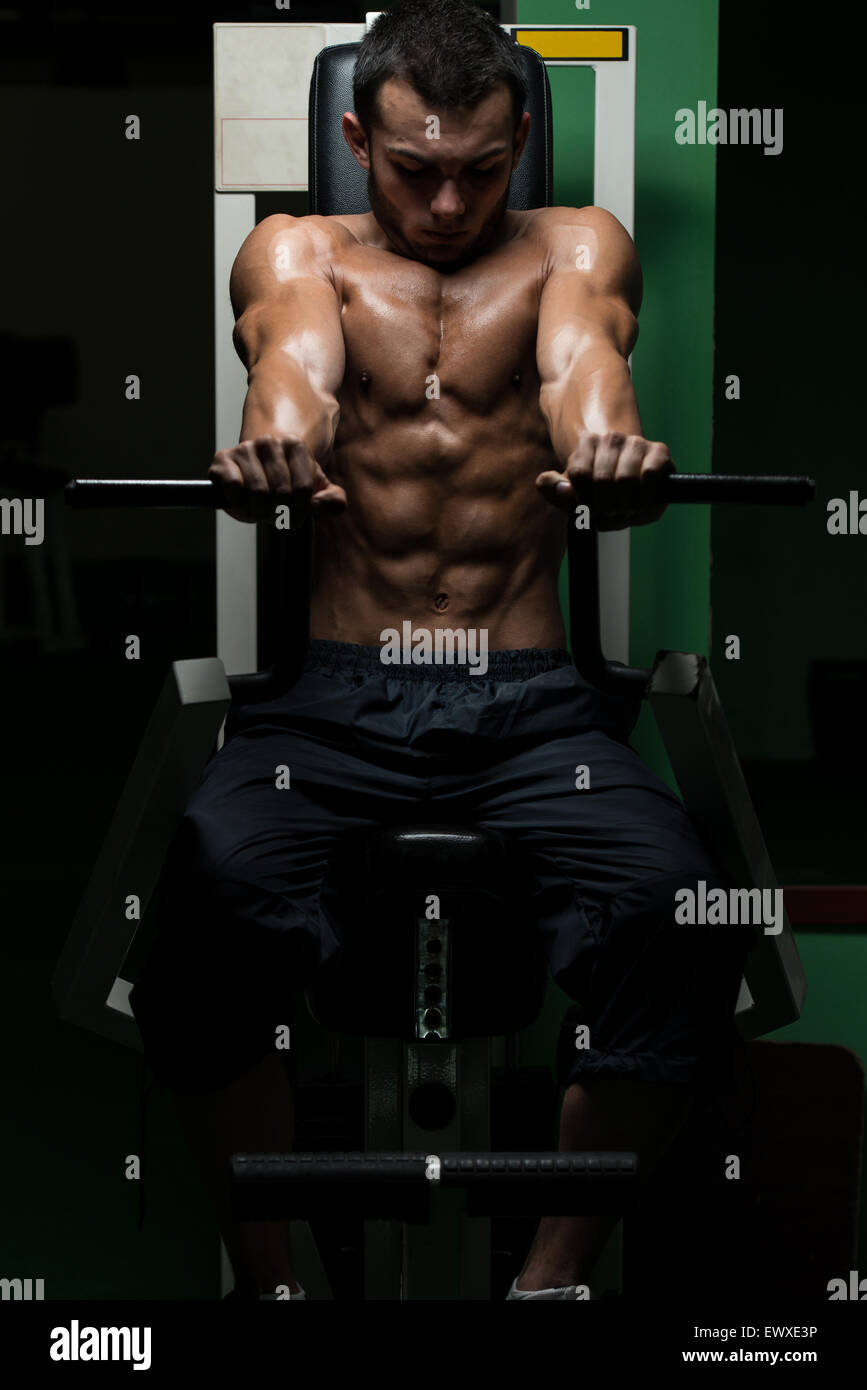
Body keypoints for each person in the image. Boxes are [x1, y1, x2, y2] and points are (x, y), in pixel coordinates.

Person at [129, 0, 754, 1301]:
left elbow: (585, 359)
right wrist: (279, 434)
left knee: (676, 900)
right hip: (333, 710)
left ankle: (548, 1284)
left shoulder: (574, 247)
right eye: (415, 170)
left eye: (480, 169)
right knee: (207, 881)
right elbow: (290, 359)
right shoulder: (302, 248)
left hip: (533, 713)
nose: (451, 201)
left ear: (520, 136)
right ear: (359, 138)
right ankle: (273, 1280)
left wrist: (607, 445)